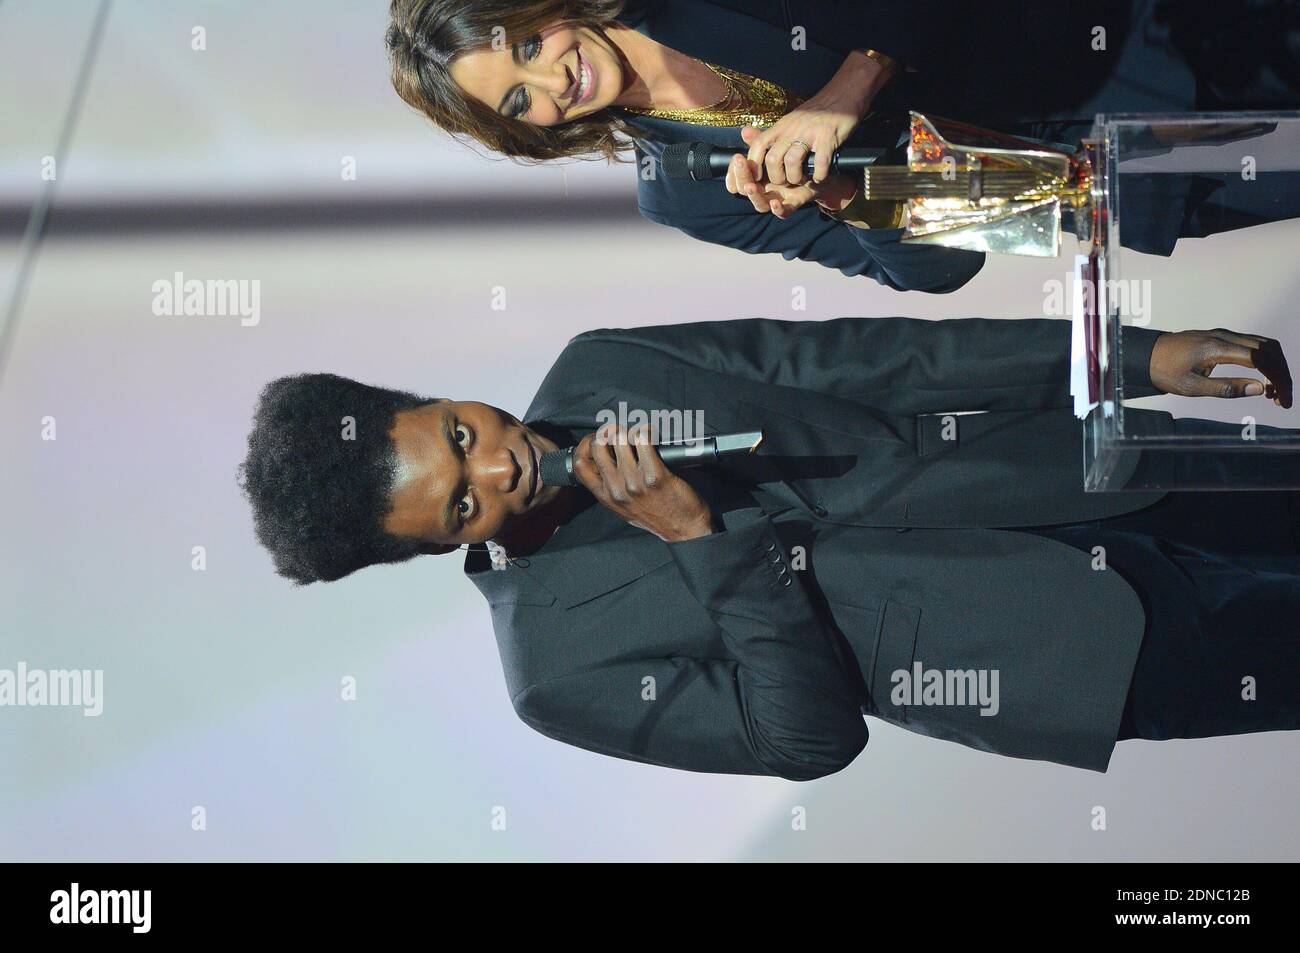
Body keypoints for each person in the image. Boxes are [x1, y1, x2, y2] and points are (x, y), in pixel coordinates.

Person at [239, 315, 1299, 780]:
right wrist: (700, 540)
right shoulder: (555, 672)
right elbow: (806, 741)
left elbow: (895, 360)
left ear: (436, 398)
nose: (498, 472)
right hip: (1090, 650)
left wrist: (1131, 356)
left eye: (459, 437)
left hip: (1092, 467)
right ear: (438, 550)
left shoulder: (604, 364)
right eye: (462, 508)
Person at [385, 0, 1300, 292]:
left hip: (1124, 34)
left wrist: (845, 93)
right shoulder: (687, 190)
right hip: (1099, 178)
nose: (552, 84)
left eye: (527, 48)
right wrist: (839, 198)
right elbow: (939, 276)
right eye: (518, 100)